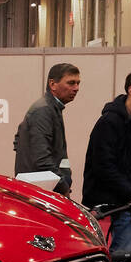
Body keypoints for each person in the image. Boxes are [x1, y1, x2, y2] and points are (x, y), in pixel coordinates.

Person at [82, 70, 131, 250]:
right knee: (123, 253)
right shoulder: (110, 122)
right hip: (125, 201)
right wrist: (130, 195)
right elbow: (103, 165)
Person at [13, 62, 81, 195]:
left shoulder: (50, 108)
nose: (76, 88)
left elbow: (18, 140)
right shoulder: (44, 111)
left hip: (43, 189)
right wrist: (62, 187)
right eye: (71, 83)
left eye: (78, 83)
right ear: (52, 84)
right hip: (41, 191)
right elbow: (42, 160)